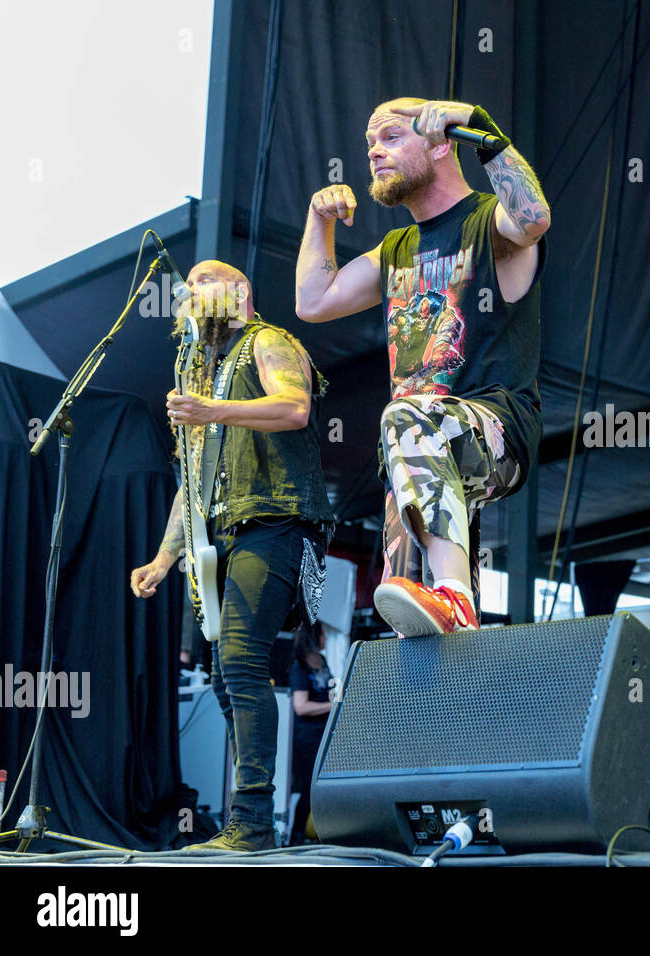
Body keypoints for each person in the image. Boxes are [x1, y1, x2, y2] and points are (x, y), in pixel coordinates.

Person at [295, 97, 549, 636]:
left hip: (494, 427)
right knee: (409, 611)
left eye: (389, 137)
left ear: (438, 143)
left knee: (405, 416)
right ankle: (457, 637)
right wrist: (320, 220)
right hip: (415, 450)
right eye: (369, 145)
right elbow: (314, 302)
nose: (374, 153)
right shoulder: (396, 249)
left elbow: (533, 218)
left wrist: (480, 126)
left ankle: (454, 595)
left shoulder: (486, 223)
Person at [131, 260, 334, 851]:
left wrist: (212, 411)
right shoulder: (204, 373)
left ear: (240, 291)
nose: (190, 294)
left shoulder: (269, 341)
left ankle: (252, 822)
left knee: (241, 662)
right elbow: (192, 478)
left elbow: (294, 408)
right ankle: (249, 819)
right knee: (225, 676)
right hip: (224, 533)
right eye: (186, 288)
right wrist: (164, 560)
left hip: (278, 521)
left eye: (204, 282)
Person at [288, 621, 334, 845]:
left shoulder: (322, 662)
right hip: (307, 738)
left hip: (324, 736)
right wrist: (332, 706)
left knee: (322, 788)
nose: (326, 639)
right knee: (308, 788)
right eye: (323, 635)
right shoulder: (300, 667)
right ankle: (296, 837)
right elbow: (301, 706)